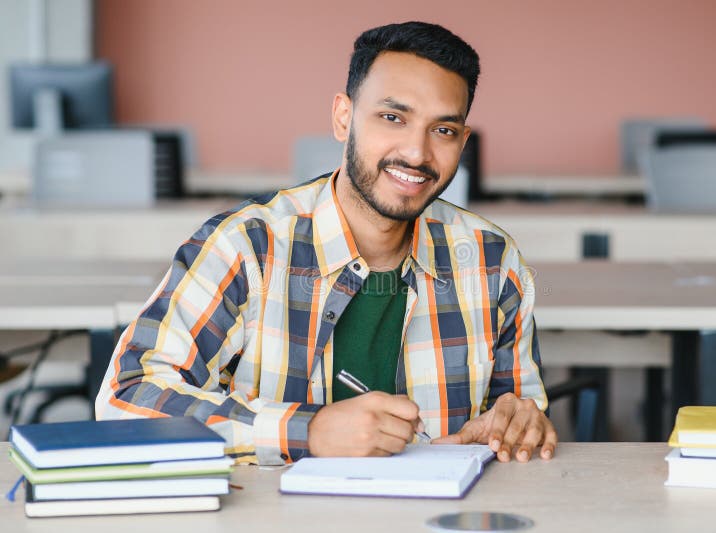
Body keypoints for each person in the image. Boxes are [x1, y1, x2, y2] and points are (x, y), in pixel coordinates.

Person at [96, 21, 556, 465]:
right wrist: (308, 432)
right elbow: (126, 397)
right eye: (392, 117)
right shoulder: (249, 246)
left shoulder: (492, 261)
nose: (417, 153)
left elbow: (519, 416)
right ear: (343, 117)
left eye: (443, 130)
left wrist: (517, 426)